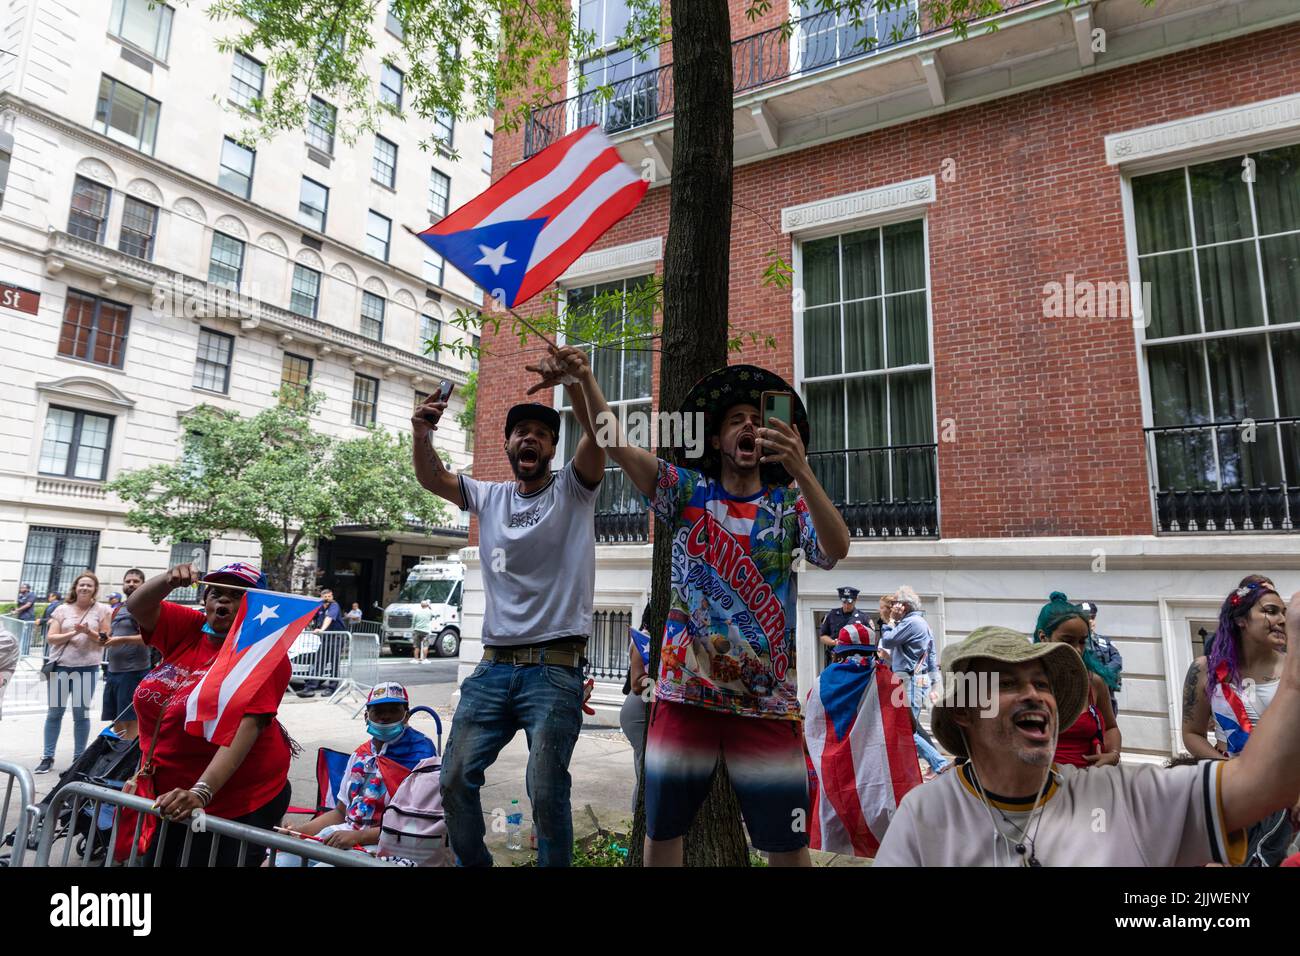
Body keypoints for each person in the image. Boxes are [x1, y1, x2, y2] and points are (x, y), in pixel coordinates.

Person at [542, 347, 850, 867]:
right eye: (736, 421)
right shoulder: (688, 492)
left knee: (787, 840)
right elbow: (615, 440)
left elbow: (836, 549)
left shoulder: (789, 505)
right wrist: (584, 379)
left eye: (758, 420)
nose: (749, 428)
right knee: (662, 830)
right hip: (686, 697)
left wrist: (802, 471)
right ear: (716, 438)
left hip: (767, 703)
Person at [874, 617, 1300, 866]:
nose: (1035, 694)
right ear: (964, 712)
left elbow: (1264, 783)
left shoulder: (1123, 796)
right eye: (1007, 683)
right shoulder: (925, 814)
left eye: (1042, 683)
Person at [411, 358, 605, 867]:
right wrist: (421, 431)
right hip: (493, 668)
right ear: (507, 444)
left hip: (556, 669)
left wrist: (580, 379)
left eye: (541, 434)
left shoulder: (574, 488)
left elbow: (602, 433)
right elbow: (432, 478)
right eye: (521, 432)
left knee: (544, 790)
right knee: (452, 778)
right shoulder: (490, 496)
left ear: (552, 449)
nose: (530, 439)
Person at [123, 561, 294, 867]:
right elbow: (137, 606)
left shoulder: (264, 653)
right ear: (205, 600)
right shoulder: (188, 628)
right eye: (216, 592)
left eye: (236, 594)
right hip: (169, 792)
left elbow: (246, 728)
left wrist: (201, 793)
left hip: (234, 798)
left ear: (259, 606)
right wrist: (167, 580)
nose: (223, 600)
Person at [1181, 579, 1298, 866]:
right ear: (1241, 619)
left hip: (1281, 796)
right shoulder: (1206, 670)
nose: (1282, 620)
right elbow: (1192, 734)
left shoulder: (1293, 673)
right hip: (1227, 791)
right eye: (1271, 611)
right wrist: (1230, 769)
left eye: (1284, 612)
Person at [276, 681, 435, 865]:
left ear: (406, 716)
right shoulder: (361, 754)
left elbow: (414, 826)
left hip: (388, 847)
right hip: (345, 833)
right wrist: (299, 832)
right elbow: (340, 812)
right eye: (378, 711)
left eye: (393, 710)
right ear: (366, 716)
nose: (385, 717)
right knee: (281, 860)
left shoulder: (422, 756)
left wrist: (357, 837)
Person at [1032, 592, 1121, 769]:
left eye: (1082, 641)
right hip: (1037, 787)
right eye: (1067, 640)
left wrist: (1113, 754)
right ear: (1043, 637)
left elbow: (1111, 727)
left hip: (1086, 784)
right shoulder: (1025, 682)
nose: (1077, 649)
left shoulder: (1093, 682)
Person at [36, 572, 112, 774]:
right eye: (81, 585)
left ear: (95, 589)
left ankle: (79, 759)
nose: (85, 588)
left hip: (87, 668)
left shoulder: (103, 609)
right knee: (55, 713)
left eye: (89, 585)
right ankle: (47, 756)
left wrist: (88, 632)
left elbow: (105, 639)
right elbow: (51, 638)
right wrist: (74, 632)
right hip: (61, 667)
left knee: (81, 715)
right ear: (75, 588)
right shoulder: (62, 609)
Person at [880, 586, 950, 778]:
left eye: (895, 603)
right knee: (910, 726)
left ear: (904, 605)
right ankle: (923, 765)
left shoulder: (910, 623)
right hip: (916, 678)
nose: (892, 606)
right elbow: (931, 655)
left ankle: (939, 763)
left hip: (910, 680)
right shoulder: (921, 623)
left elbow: (887, 640)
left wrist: (891, 621)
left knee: (905, 727)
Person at [101, 569, 150, 739]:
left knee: (131, 720)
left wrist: (119, 640)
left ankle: (127, 762)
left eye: (136, 581)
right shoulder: (119, 608)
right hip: (113, 672)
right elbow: (111, 636)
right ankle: (117, 758)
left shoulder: (145, 607)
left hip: (133, 672)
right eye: (128, 581)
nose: (131, 584)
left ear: (143, 584)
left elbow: (149, 638)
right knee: (117, 719)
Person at [1078, 600, 1123, 715]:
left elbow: (1117, 660)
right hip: (1086, 693)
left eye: (1092, 618)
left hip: (1107, 692)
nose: (1090, 621)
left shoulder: (1104, 641)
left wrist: (1104, 674)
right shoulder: (1077, 643)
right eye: (1086, 618)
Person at [297, 588, 343, 697]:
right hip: (326, 638)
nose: (327, 599)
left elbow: (329, 618)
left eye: (329, 597)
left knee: (334, 663)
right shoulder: (320, 607)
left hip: (336, 638)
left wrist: (322, 629)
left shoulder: (334, 606)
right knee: (319, 662)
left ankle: (332, 688)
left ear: (332, 597)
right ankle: (310, 688)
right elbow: (310, 616)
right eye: (325, 597)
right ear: (321, 598)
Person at [818, 586, 869, 669]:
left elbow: (870, 640)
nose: (846, 605)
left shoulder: (863, 618)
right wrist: (833, 642)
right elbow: (823, 636)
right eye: (844, 601)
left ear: (855, 600)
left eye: (849, 602)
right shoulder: (832, 615)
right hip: (836, 658)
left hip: (855, 660)